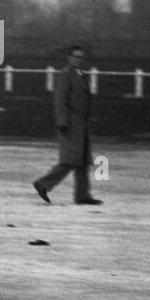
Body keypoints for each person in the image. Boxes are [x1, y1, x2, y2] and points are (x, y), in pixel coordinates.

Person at [32, 45, 101, 205]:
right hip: (70, 124)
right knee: (71, 160)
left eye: (81, 57)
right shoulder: (66, 75)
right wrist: (62, 121)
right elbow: (60, 100)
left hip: (81, 125)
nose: (78, 59)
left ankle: (82, 195)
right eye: (76, 56)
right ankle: (43, 184)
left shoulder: (80, 74)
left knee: (82, 160)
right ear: (69, 57)